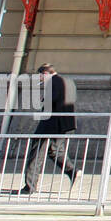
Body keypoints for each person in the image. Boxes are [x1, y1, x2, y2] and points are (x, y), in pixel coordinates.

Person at [20, 63, 82, 195]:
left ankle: (30, 186)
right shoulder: (68, 81)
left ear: (45, 74)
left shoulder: (53, 82)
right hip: (66, 123)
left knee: (36, 152)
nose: (40, 80)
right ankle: (73, 172)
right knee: (55, 150)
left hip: (50, 122)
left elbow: (50, 102)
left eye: (40, 77)